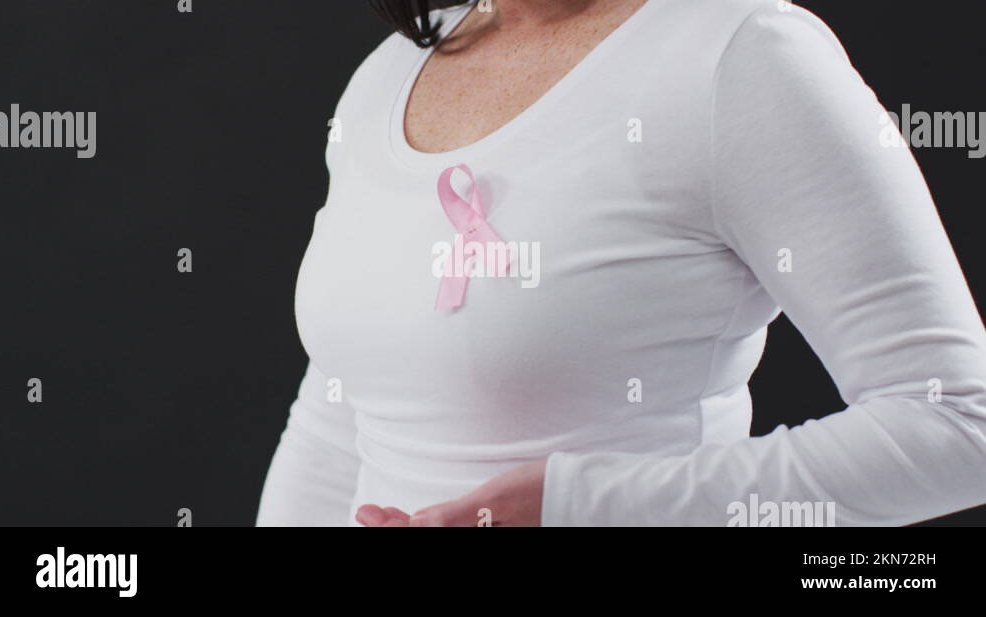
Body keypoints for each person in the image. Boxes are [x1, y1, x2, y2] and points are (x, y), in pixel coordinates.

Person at [256, 0, 986, 526]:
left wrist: (576, 508)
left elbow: (959, 420)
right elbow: (340, 408)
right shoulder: (388, 76)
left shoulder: (742, 53)